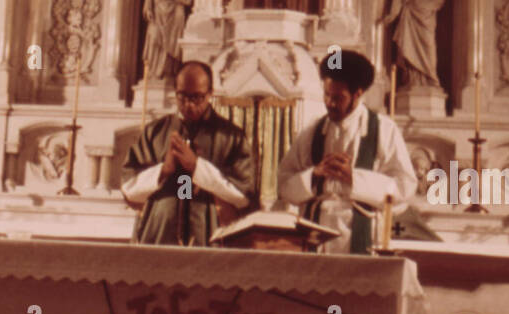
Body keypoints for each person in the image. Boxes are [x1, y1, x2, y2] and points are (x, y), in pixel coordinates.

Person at [276, 51, 425, 254]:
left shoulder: (383, 130)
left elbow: (405, 186)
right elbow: (284, 183)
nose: (329, 103)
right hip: (315, 234)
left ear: (358, 94)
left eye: (338, 97)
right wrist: (314, 175)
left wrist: (354, 178)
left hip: (362, 233)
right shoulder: (311, 132)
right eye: (327, 95)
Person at [121, 61, 254, 246]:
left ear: (210, 94)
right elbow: (128, 188)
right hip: (159, 235)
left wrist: (197, 168)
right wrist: (164, 171)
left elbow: (244, 195)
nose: (189, 105)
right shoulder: (155, 132)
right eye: (182, 97)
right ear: (175, 92)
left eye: (197, 98)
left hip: (210, 236)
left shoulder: (231, 136)